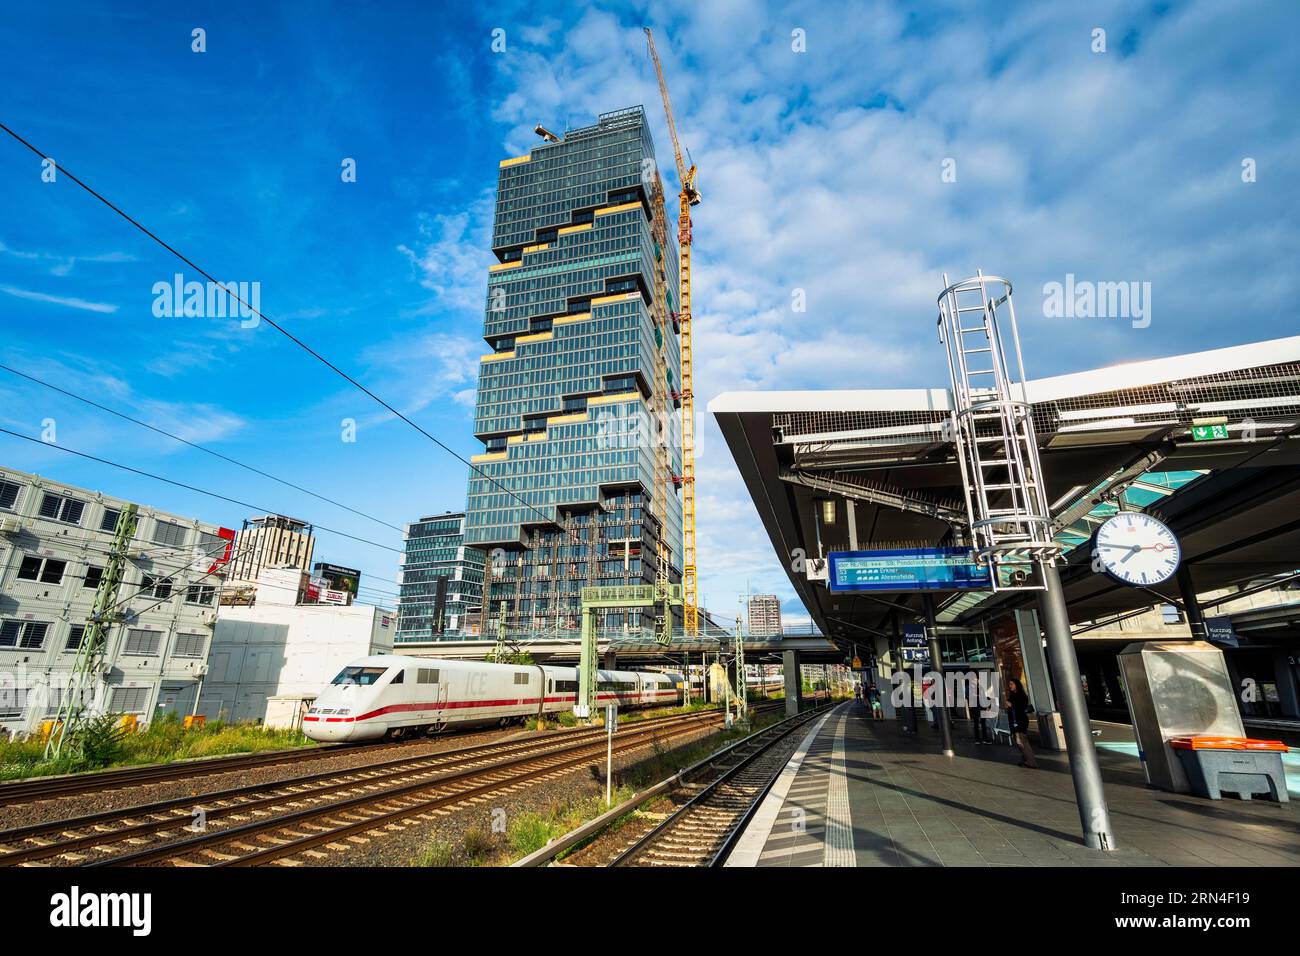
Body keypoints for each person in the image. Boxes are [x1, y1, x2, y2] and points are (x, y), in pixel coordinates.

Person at [1005, 678, 1038, 768]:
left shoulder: (1021, 695)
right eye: (1009, 684)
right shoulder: (1013, 695)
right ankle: (1025, 759)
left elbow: (1021, 708)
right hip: (1015, 721)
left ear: (1017, 685)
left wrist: (1011, 705)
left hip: (1019, 721)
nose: (1010, 686)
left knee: (1022, 741)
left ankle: (1031, 761)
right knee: (1019, 741)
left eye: (1012, 684)